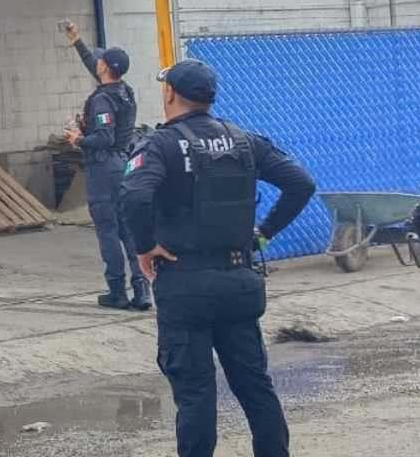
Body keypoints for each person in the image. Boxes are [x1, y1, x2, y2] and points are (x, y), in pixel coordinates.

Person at [119, 59, 316, 457]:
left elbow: (135, 196)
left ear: (170, 93)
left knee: (195, 393)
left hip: (185, 283)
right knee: (255, 386)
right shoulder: (243, 140)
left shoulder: (160, 144)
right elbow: (301, 183)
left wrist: (144, 247)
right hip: (238, 280)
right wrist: (263, 234)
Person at [61, 22, 149, 311]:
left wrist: (78, 139)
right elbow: (96, 68)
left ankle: (117, 291)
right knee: (128, 229)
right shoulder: (124, 91)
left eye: (99, 61)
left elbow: (103, 138)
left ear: (105, 67)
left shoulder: (102, 101)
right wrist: (77, 42)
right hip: (124, 164)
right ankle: (142, 289)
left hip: (104, 168)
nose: (96, 62)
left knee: (108, 230)